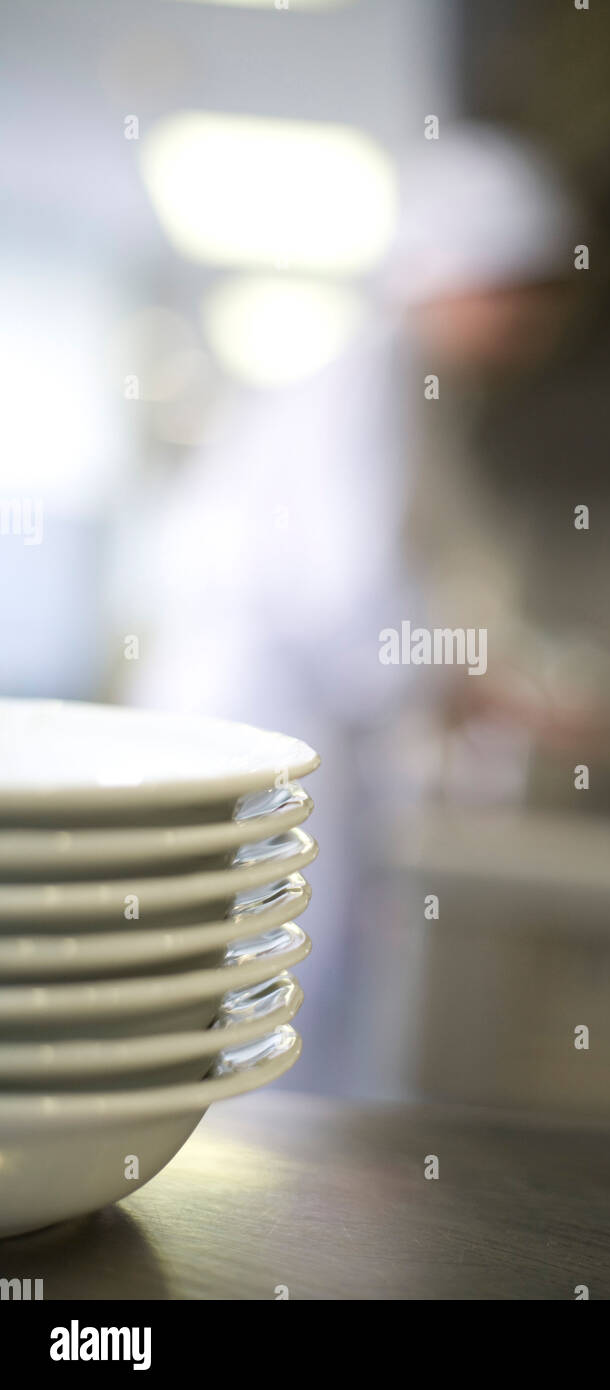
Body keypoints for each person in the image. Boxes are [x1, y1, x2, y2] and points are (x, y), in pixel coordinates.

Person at [125, 123, 578, 1094]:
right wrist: (484, 688)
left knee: (278, 1011)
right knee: (256, 1017)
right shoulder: (364, 385)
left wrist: (483, 672)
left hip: (291, 744)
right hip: (259, 740)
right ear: (462, 276)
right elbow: (350, 601)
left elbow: (435, 573)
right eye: (525, 294)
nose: (536, 324)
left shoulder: (408, 394)